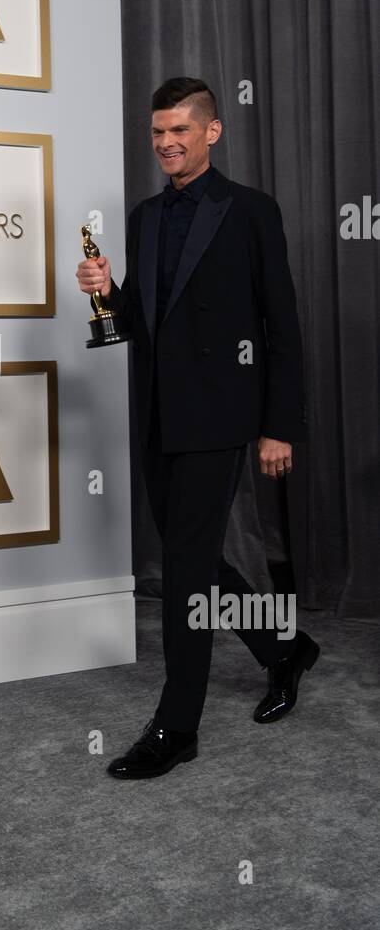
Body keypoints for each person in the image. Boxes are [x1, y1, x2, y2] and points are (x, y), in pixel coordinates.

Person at [77, 77, 317, 780]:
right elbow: (137, 328)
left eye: (180, 129)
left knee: (184, 570)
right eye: (157, 133)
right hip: (157, 412)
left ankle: (176, 726)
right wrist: (106, 294)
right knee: (197, 560)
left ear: (212, 132)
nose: (166, 143)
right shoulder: (146, 214)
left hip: (220, 414)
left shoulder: (251, 211)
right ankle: (283, 648)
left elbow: (282, 325)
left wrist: (280, 427)